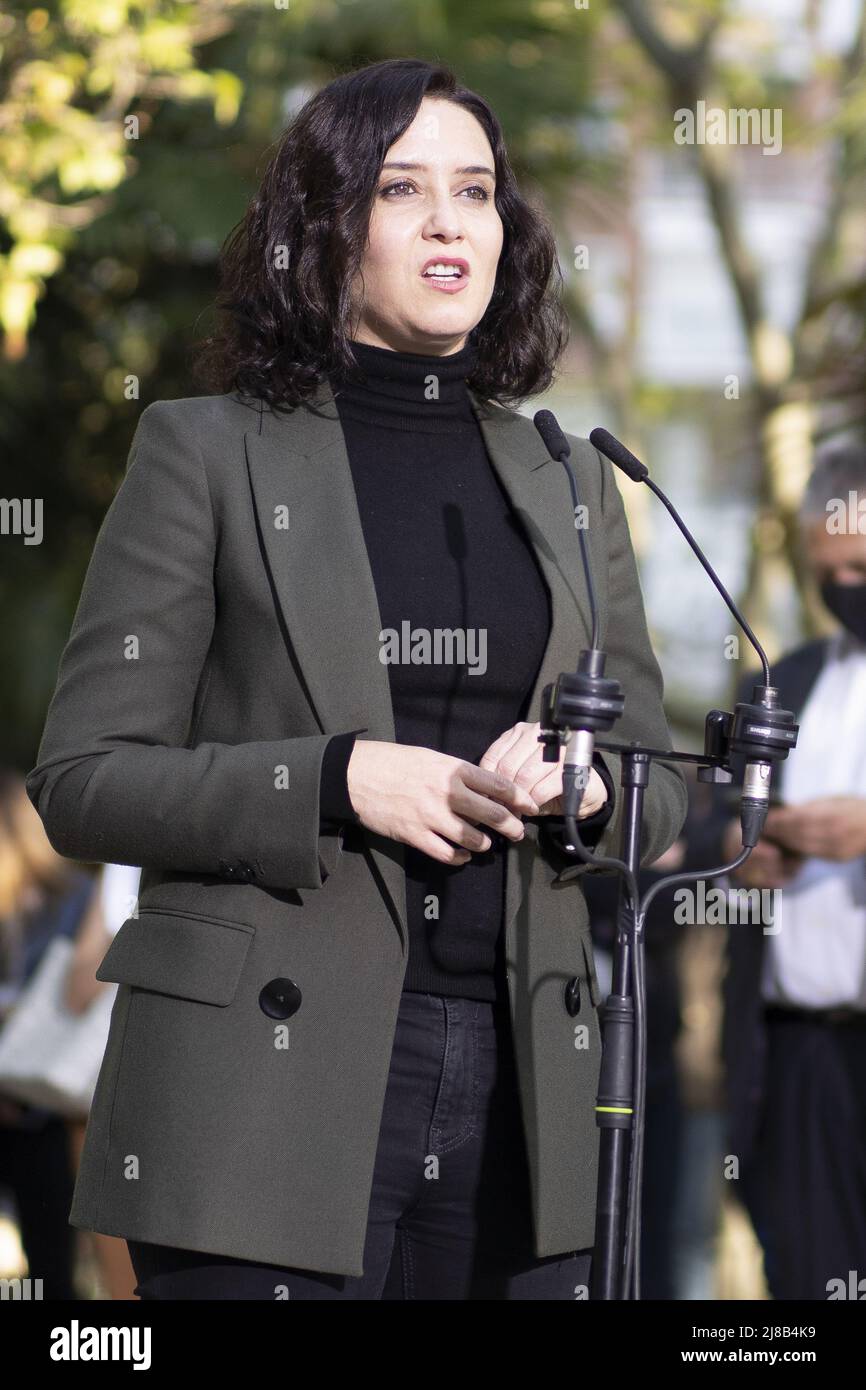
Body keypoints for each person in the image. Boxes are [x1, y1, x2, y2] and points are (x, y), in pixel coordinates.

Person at [26, 57, 687, 1300]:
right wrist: (330, 779)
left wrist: (585, 784)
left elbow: (659, 788)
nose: (449, 221)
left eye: (476, 190)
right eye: (402, 188)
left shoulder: (572, 473)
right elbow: (84, 780)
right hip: (259, 1090)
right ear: (325, 231)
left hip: (526, 1091)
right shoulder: (203, 449)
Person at [691, 442, 866, 1300]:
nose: (845, 588)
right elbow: (707, 827)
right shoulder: (785, 680)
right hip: (790, 1055)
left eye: (861, 565)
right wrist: (746, 852)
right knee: (805, 1274)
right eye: (827, 570)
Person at [0, 768, 99, 1300]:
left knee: (45, 1267)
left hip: (44, 1105)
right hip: (43, 1102)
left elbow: (77, 990)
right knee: (46, 1264)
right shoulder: (80, 898)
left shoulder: (78, 902)